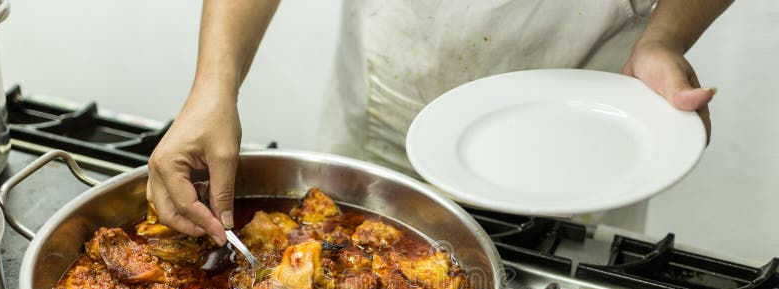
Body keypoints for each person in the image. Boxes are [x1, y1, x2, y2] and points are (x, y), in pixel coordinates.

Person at [147, 0, 732, 246]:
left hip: (586, 132)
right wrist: (213, 86)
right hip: (386, 102)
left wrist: (666, 37)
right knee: (327, 244)